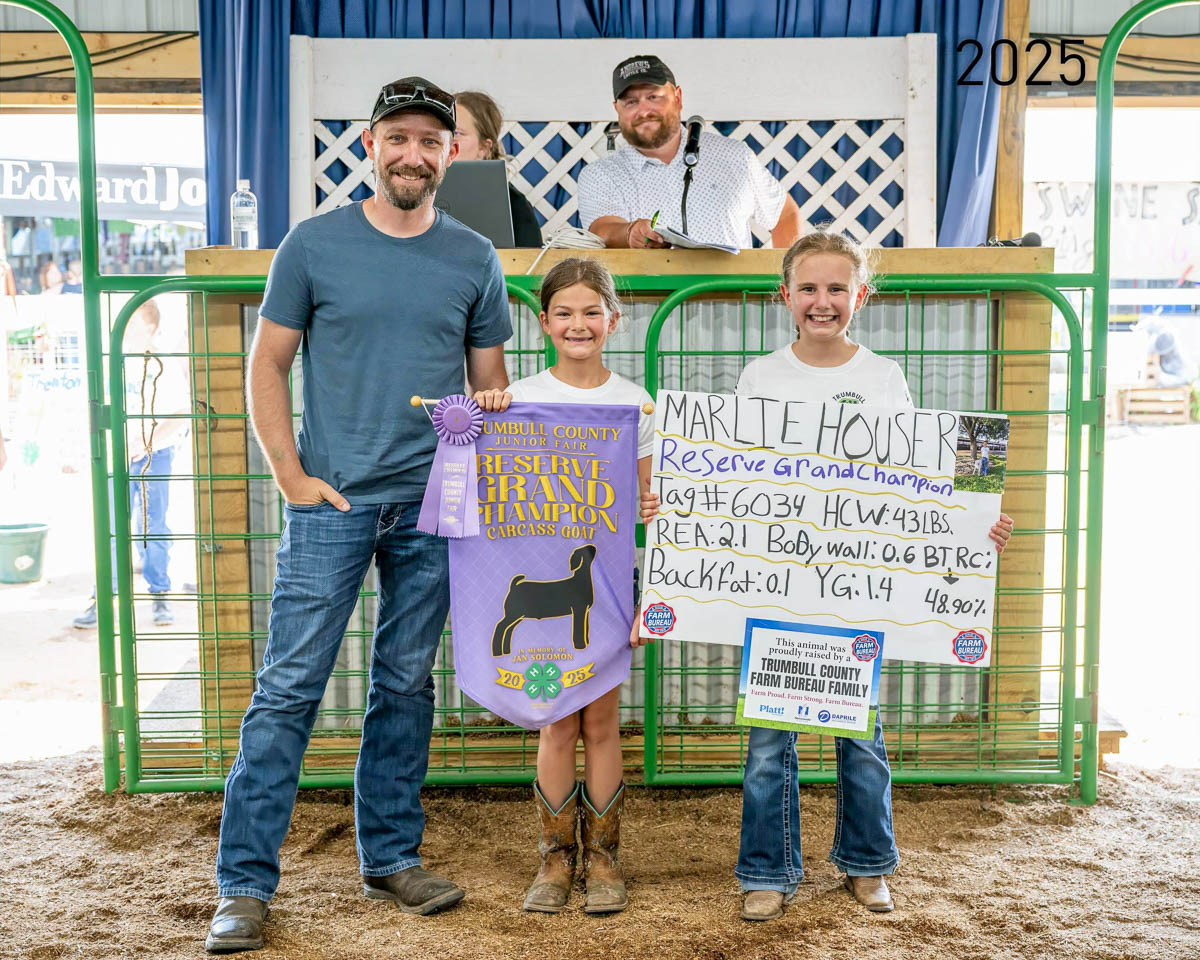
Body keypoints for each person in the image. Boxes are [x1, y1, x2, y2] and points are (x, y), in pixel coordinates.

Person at [204, 76, 513, 953]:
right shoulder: (311, 244)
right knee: (288, 689)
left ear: (453, 153)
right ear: (370, 145)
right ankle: (244, 884)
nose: (414, 154)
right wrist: (291, 476)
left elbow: (488, 386)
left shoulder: (473, 257)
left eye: (431, 141)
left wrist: (492, 414)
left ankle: (390, 855)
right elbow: (266, 365)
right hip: (332, 503)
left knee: (404, 685)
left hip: (433, 506)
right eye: (398, 138)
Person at [640, 229, 1014, 922]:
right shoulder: (760, 377)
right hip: (776, 593)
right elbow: (731, 473)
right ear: (784, 295)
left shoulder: (885, 378)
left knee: (863, 741)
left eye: (837, 288)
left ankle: (868, 865)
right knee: (767, 743)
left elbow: (924, 482)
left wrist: (973, 524)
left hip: (857, 596)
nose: (822, 301)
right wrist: (677, 502)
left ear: (861, 296)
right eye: (808, 288)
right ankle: (766, 871)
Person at [474, 257, 654, 915]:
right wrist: (485, 411)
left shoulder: (636, 403)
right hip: (544, 599)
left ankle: (604, 860)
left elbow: (648, 505)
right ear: (544, 321)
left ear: (613, 319)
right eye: (565, 312)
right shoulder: (518, 400)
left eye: (591, 311)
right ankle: (554, 861)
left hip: (609, 593)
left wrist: (653, 591)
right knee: (555, 722)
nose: (579, 324)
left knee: (601, 723)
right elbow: (488, 488)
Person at [577, 54, 802, 250]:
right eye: (631, 102)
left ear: (678, 97)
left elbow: (785, 214)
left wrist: (783, 283)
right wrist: (631, 232)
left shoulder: (734, 155)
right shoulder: (600, 174)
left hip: (733, 299)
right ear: (617, 109)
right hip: (652, 301)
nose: (644, 111)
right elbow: (602, 229)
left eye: (654, 97)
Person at [73, 299, 190, 629]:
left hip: (155, 455)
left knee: (153, 524)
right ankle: (103, 596)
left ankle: (159, 593)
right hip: (116, 455)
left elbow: (180, 414)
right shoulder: (112, 362)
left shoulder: (160, 364)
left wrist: (146, 442)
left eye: (133, 323)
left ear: (151, 328)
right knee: (109, 525)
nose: (124, 330)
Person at [453, 90, 543, 248]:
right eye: (442, 132)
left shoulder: (512, 204)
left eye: (457, 133)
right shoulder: (419, 191)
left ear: (484, 148)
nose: (447, 141)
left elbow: (527, 264)